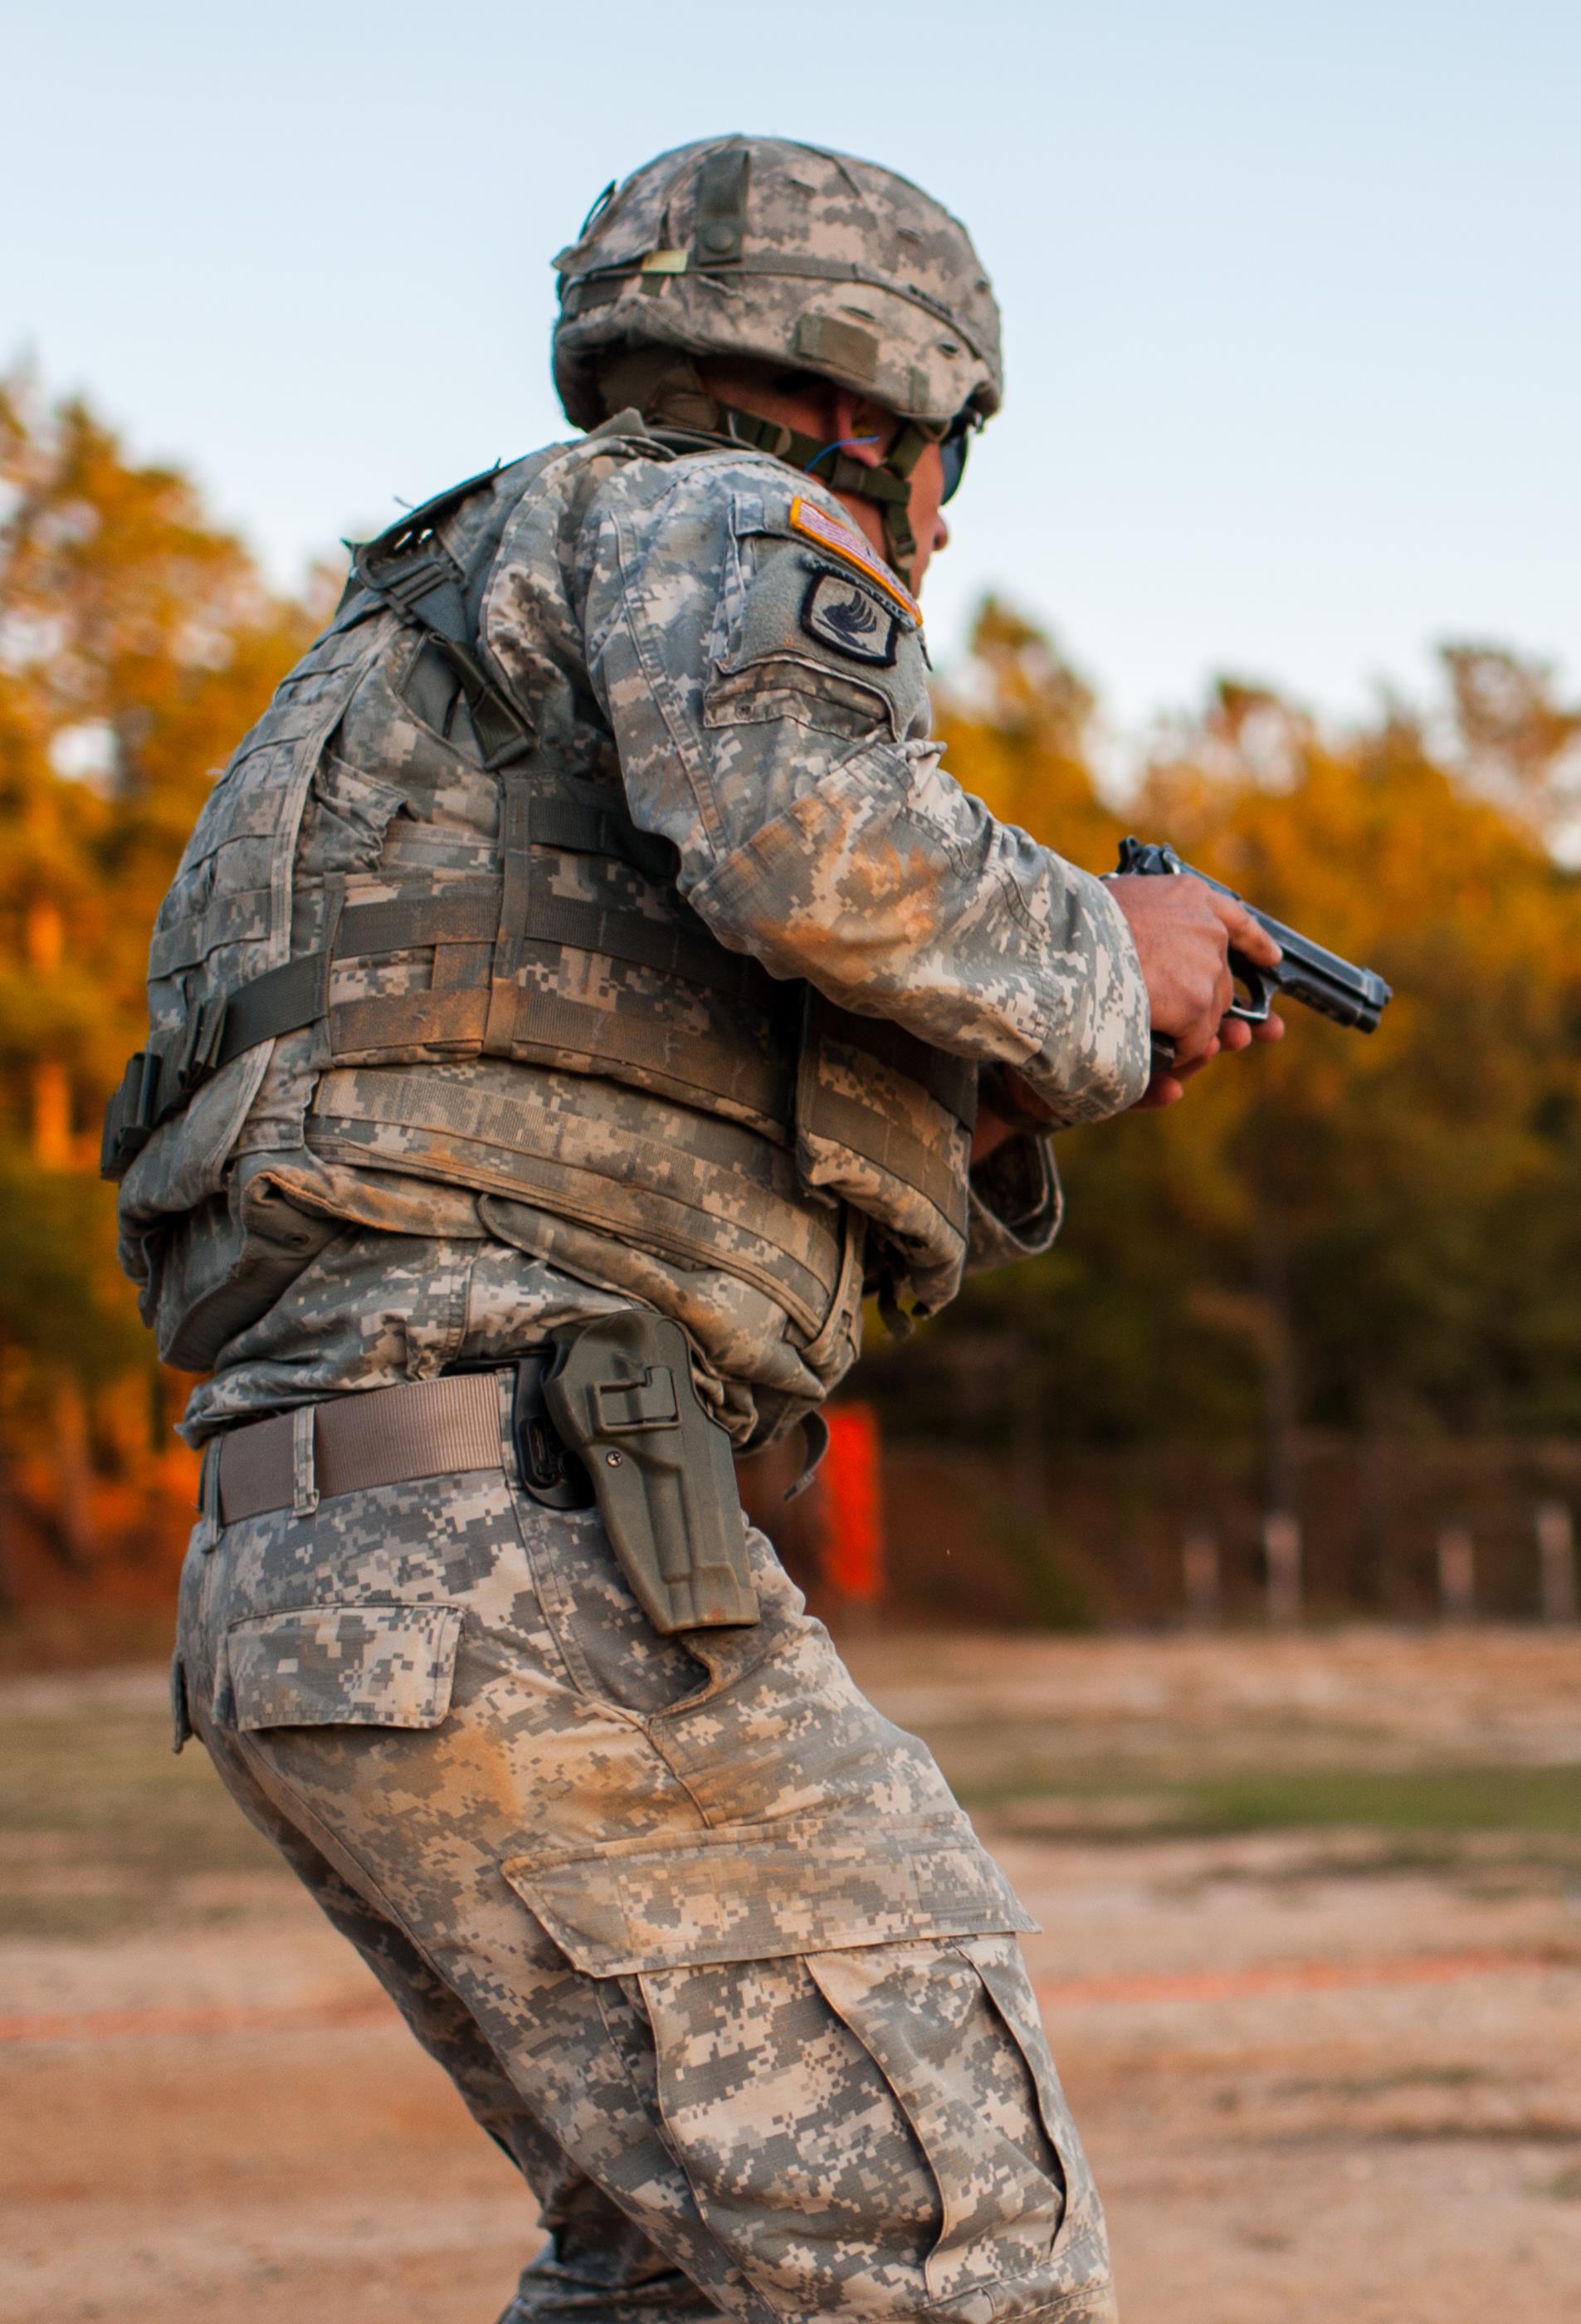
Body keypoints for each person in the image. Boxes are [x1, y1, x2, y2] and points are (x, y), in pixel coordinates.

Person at [101, 135, 1261, 2323]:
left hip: (352, 1547)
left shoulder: (434, 636)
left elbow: (617, 1065)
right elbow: (833, 850)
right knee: (951, 2252)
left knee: (680, 2271)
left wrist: (992, 1092)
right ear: (867, 395)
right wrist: (1115, 959)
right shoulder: (721, 519)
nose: (936, 507)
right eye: (942, 449)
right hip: (525, 1536)